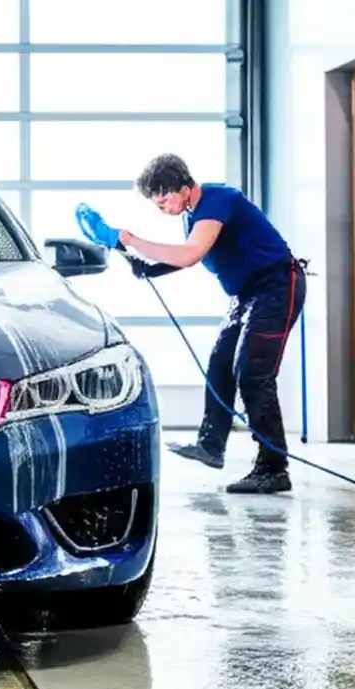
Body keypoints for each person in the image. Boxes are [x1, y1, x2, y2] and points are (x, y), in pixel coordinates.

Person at [78, 153, 306, 494]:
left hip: (276, 286)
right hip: (246, 295)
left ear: (184, 187)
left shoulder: (219, 200)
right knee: (220, 366)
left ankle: (273, 468)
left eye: (164, 200)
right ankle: (211, 446)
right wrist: (150, 267)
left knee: (253, 373)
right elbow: (188, 255)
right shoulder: (195, 215)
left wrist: (128, 239)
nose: (162, 208)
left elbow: (190, 254)